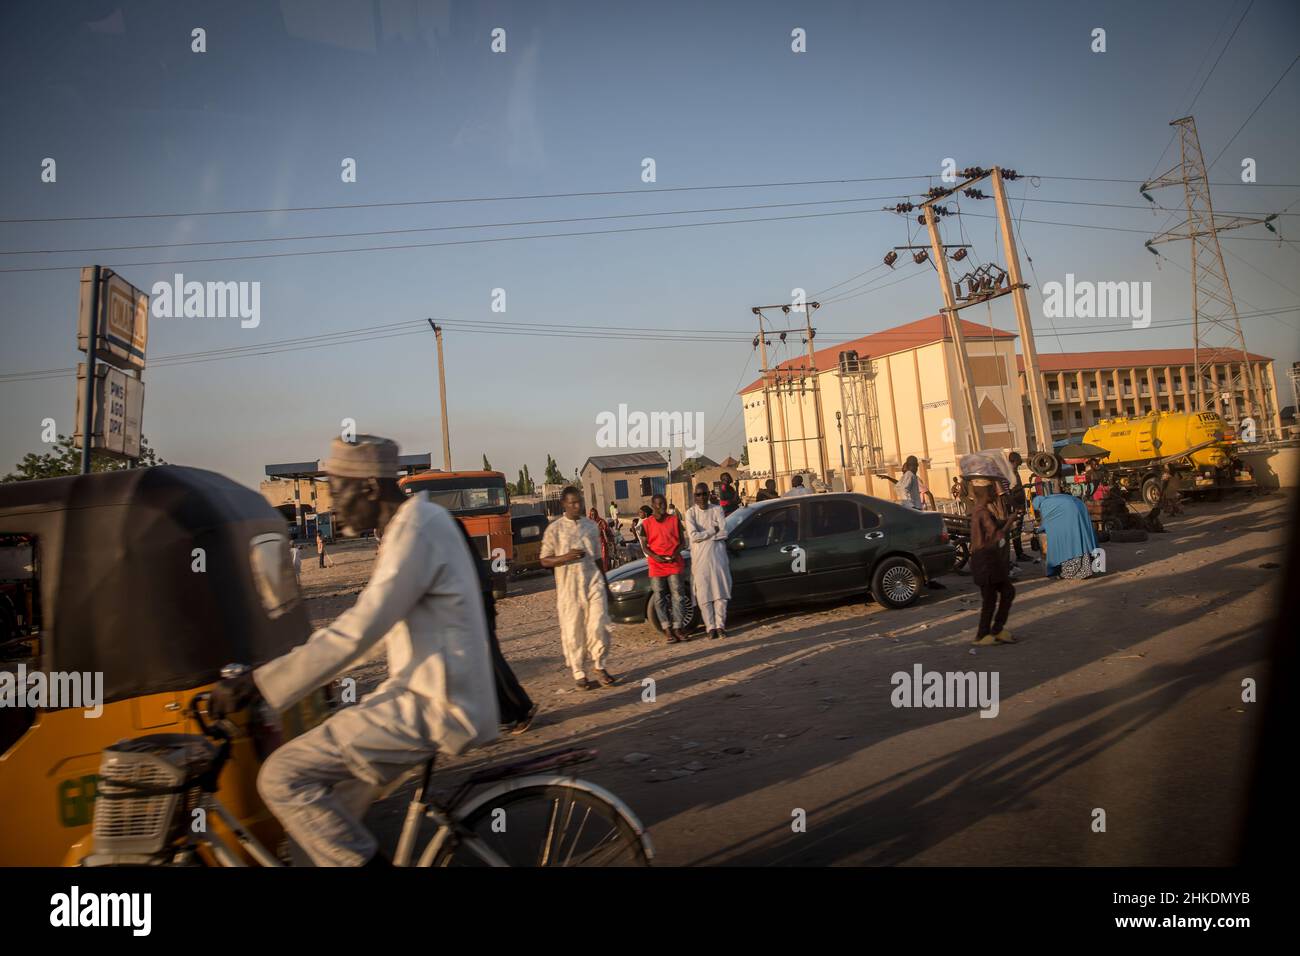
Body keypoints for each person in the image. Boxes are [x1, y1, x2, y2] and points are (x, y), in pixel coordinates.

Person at [208, 435, 499, 867]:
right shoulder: (414, 524)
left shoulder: (415, 530)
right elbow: (372, 632)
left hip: (435, 704)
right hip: (424, 693)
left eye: (336, 491)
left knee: (282, 776)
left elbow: (361, 629)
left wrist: (262, 684)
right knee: (323, 833)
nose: (332, 507)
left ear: (367, 487)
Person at [543, 489, 619, 690]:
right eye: (573, 503)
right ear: (563, 504)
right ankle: (579, 672)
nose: (577, 506)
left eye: (579, 502)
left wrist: (606, 585)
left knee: (599, 623)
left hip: (593, 582)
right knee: (573, 630)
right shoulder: (554, 530)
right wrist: (565, 557)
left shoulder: (591, 526)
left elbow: (597, 560)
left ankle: (599, 665)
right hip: (569, 589)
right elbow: (544, 560)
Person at [969, 483, 1018, 646]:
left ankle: (995, 630)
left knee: (1006, 592)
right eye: (991, 490)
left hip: (985, 561)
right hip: (987, 562)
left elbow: (993, 525)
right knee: (991, 599)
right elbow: (998, 537)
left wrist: (1004, 521)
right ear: (986, 493)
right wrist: (1010, 521)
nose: (995, 493)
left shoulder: (979, 511)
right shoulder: (983, 513)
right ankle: (983, 634)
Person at [640, 493, 691, 644]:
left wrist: (675, 553)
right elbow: (644, 546)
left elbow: (683, 542)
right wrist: (655, 556)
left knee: (678, 595)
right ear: (653, 506)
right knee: (659, 596)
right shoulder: (647, 524)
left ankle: (678, 627)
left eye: (663, 504)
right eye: (659, 504)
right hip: (656, 564)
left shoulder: (674, 520)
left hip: (674, 562)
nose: (662, 507)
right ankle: (667, 629)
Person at [685, 481, 732, 638]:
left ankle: (720, 626)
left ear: (709, 494)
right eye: (699, 494)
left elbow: (724, 533)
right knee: (704, 595)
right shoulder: (690, 513)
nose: (702, 497)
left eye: (705, 494)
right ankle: (710, 628)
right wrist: (713, 531)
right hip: (700, 561)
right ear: (694, 497)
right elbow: (693, 536)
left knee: (721, 594)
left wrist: (704, 535)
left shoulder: (717, 509)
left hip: (718, 558)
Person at [1032, 493, 1098, 580]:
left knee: (1069, 545)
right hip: (1079, 506)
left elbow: (1047, 522)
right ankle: (1087, 569)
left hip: (1072, 511)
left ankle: (1075, 572)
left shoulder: (1045, 505)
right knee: (1081, 537)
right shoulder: (1051, 498)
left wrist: (1038, 530)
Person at [1006, 452, 1030, 562]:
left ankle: (1020, 553)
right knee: (1015, 531)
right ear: (1013, 461)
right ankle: (1019, 554)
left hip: (1019, 505)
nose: (1020, 464)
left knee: (1018, 531)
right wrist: (1016, 507)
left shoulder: (1014, 472)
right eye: (1018, 461)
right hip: (1015, 508)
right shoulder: (1009, 474)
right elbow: (1009, 493)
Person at [587, 507, 612, 572]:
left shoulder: (601, 522)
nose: (593, 516)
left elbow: (608, 532)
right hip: (592, 545)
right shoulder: (587, 523)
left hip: (602, 544)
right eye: (592, 514)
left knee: (603, 560)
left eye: (594, 514)